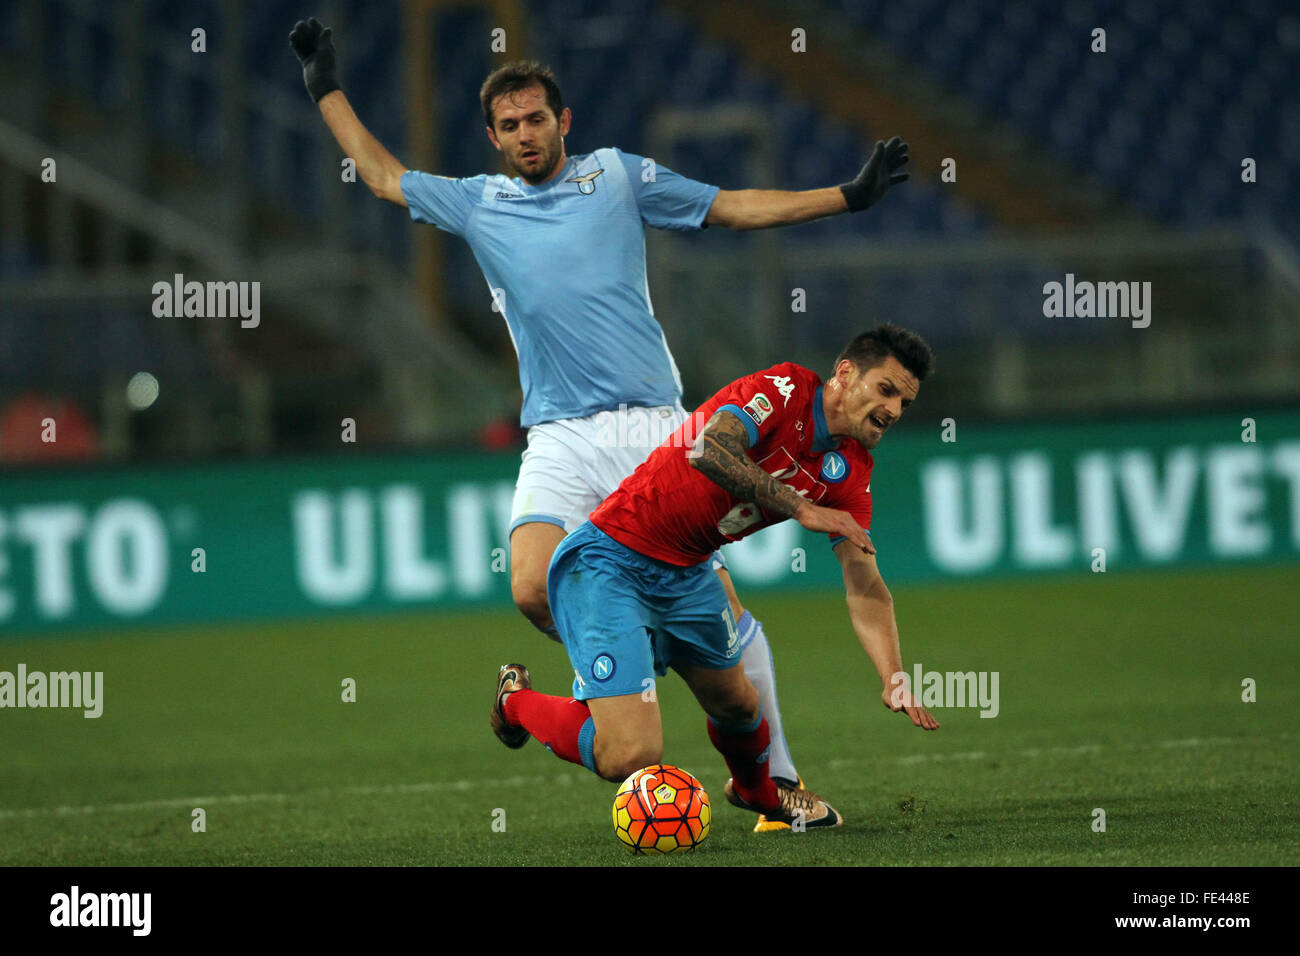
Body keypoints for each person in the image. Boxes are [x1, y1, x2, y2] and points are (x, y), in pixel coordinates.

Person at [290, 18, 911, 829]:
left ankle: (774, 785)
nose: (524, 134)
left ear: (563, 121)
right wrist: (325, 86)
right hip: (558, 435)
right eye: (508, 125)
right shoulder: (479, 204)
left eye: (536, 119)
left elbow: (728, 208)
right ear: (493, 136)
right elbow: (378, 175)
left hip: (654, 427)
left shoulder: (617, 177)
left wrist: (846, 197)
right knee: (528, 587)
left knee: (721, 629)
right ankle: (620, 680)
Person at [491, 324, 941, 827]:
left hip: (688, 571)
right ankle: (515, 703)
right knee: (630, 755)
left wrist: (892, 673)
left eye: (904, 401)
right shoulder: (785, 389)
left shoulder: (852, 471)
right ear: (844, 373)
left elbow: (865, 584)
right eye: (886, 390)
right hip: (612, 560)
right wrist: (801, 508)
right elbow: (709, 450)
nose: (894, 411)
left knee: (738, 703)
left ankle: (763, 796)